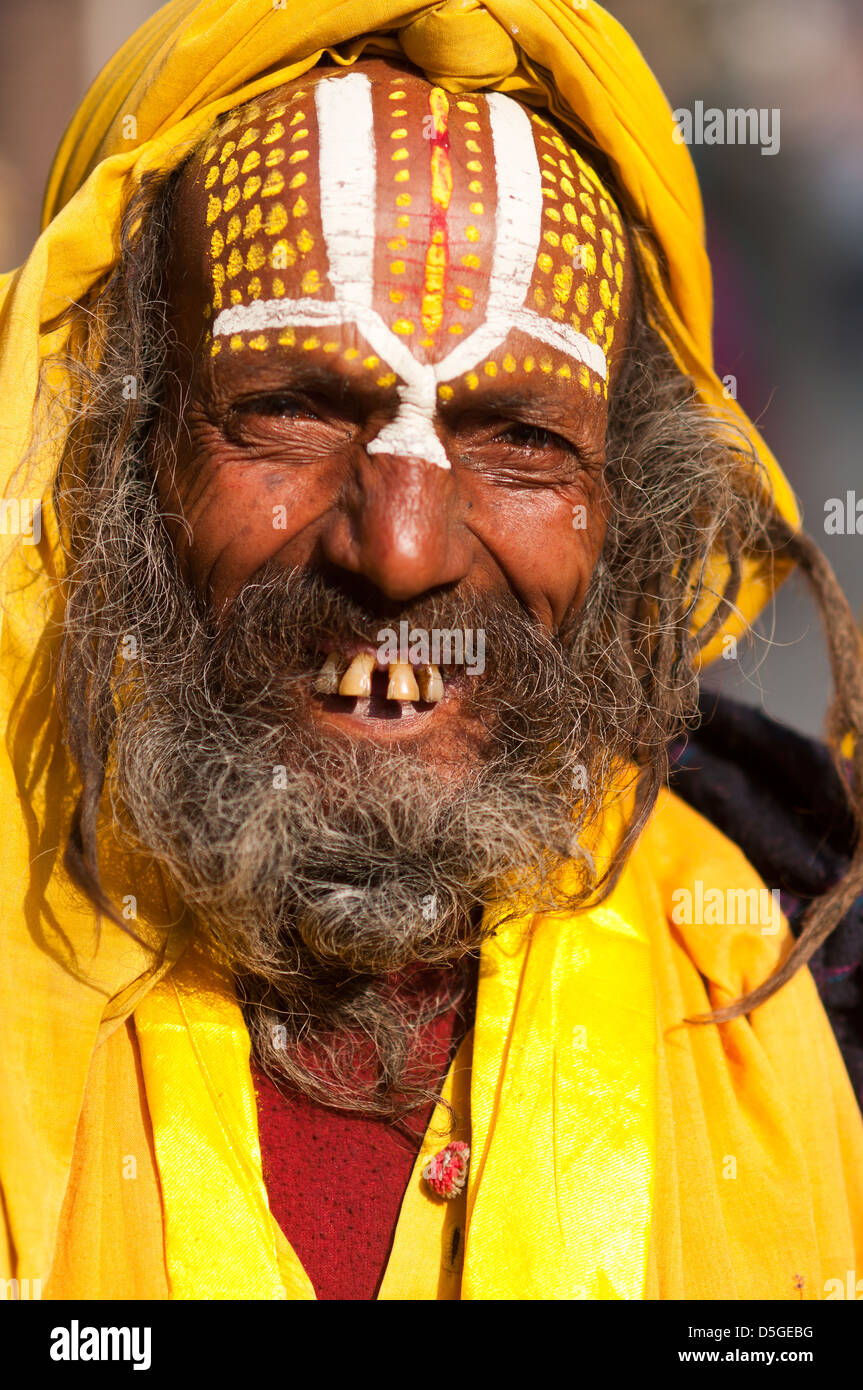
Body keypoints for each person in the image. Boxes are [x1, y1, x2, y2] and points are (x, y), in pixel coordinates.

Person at [1, 0, 861, 1302]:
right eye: (290, 407)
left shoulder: (806, 973)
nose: (401, 552)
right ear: (119, 452)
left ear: (622, 501)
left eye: (521, 435)